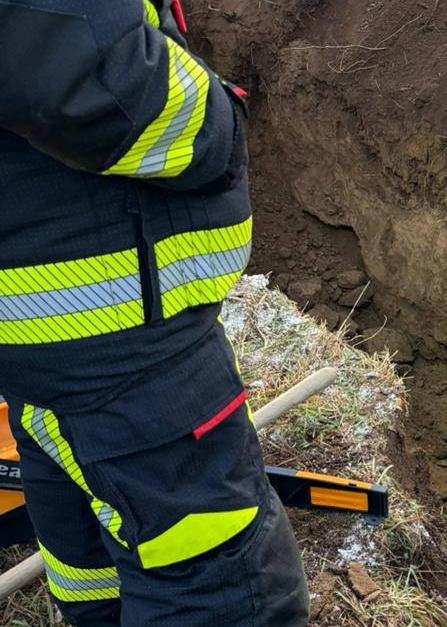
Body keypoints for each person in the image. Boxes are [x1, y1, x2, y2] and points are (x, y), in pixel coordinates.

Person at [0, 1, 308, 624]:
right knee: (225, 591)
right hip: (126, 347)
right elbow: (79, 60)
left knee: (89, 553)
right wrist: (218, 124)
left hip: (51, 351)